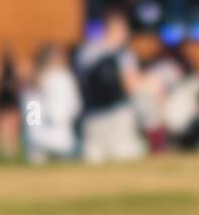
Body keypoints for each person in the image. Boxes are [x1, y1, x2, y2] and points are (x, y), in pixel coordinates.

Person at [77, 10, 145, 164]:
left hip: (91, 114)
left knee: (93, 159)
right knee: (125, 157)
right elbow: (131, 86)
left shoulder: (86, 52)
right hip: (117, 114)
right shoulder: (123, 55)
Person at [22, 45, 82, 164]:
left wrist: (62, 117)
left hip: (62, 133)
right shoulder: (35, 82)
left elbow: (73, 104)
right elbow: (32, 112)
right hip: (42, 136)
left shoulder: (65, 78)